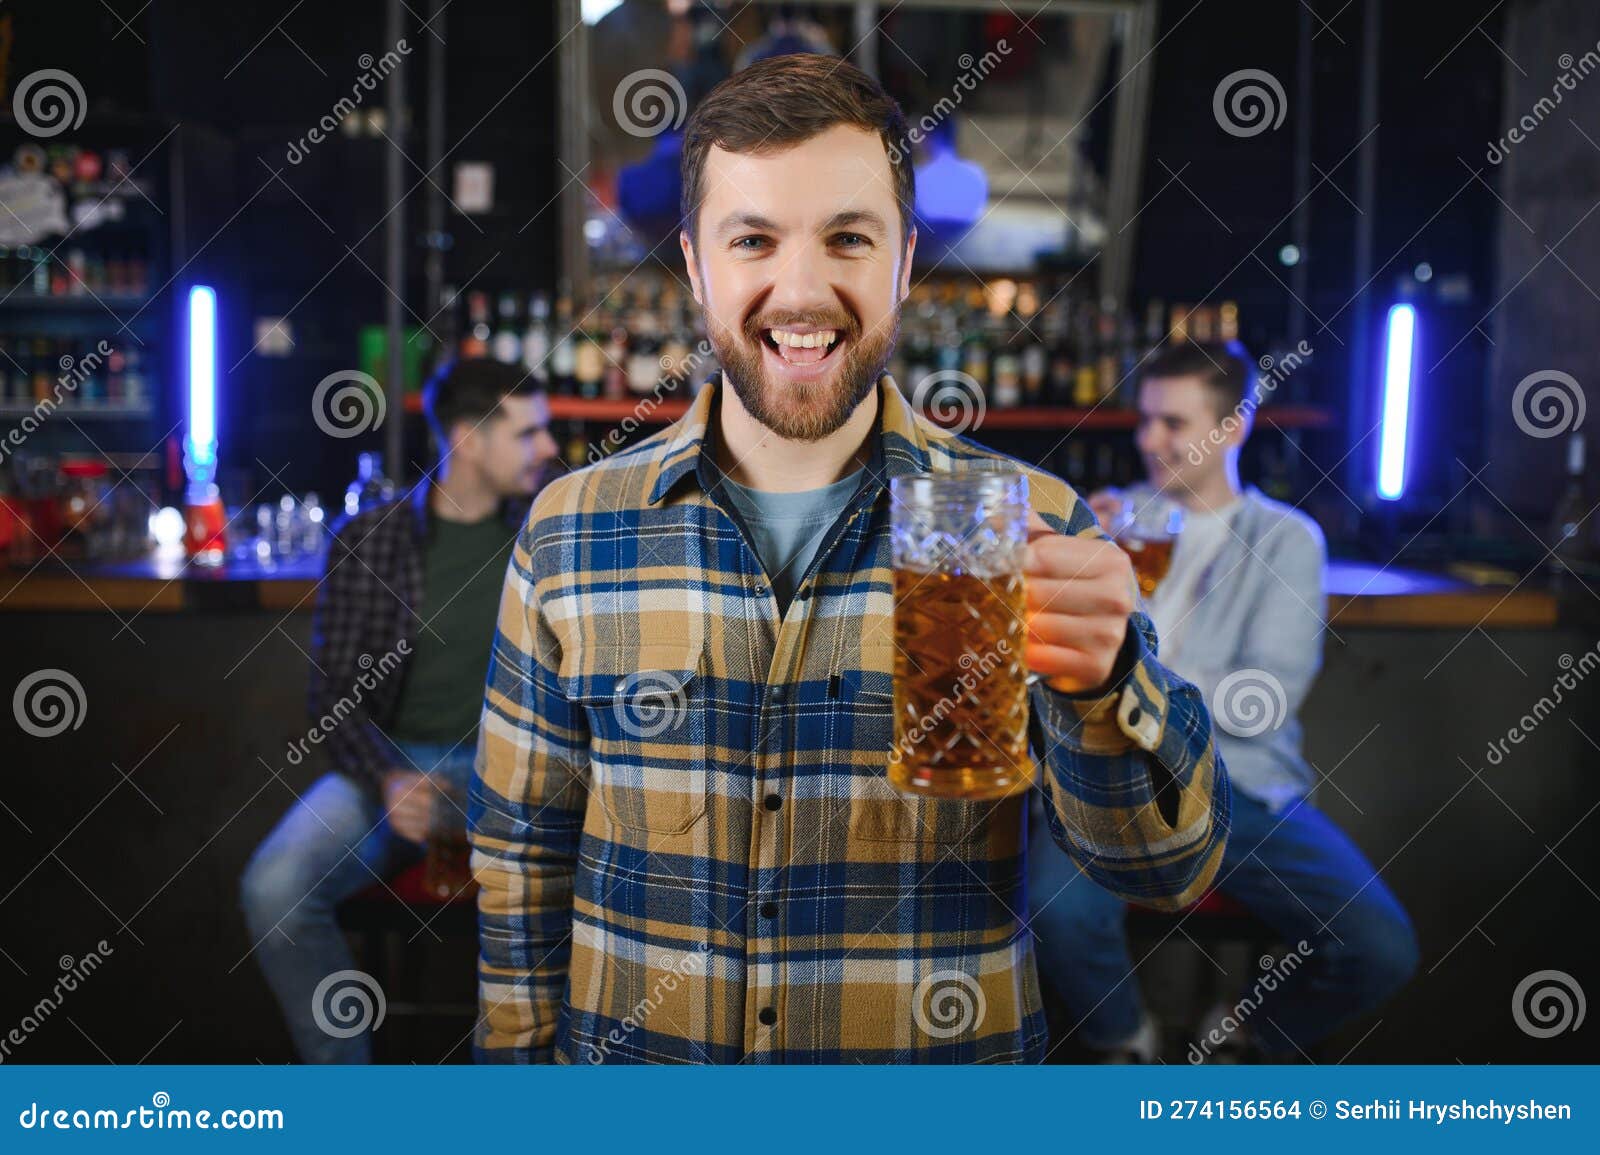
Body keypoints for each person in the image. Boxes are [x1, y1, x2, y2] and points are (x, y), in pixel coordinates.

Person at [469, 53, 1231, 1065]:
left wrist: (1108, 684)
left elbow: (1166, 873)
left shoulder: (1027, 522)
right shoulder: (572, 530)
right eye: (752, 240)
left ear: (902, 264)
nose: (802, 288)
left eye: (846, 238)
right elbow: (520, 858)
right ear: (695, 267)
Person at [1027, 341, 1419, 1062]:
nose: (1149, 442)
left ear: (1233, 425)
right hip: (1105, 776)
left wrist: (1131, 675)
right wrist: (1076, 558)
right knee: (1058, 906)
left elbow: (1261, 700)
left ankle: (1244, 1038)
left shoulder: (1288, 539)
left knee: (1381, 945)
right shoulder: (1109, 523)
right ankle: (1128, 1050)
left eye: (1173, 423)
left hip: (1232, 785)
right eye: (1145, 421)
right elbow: (1042, 666)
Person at [239, 359, 558, 1063]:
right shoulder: (370, 539)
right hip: (393, 768)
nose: (548, 447)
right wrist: (388, 778)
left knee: (557, 900)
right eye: (529, 431)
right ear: (468, 438)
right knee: (274, 887)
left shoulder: (550, 532)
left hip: (511, 776)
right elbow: (334, 700)